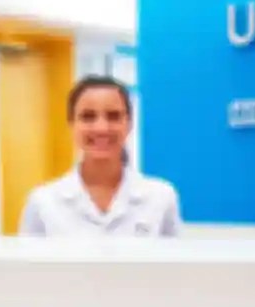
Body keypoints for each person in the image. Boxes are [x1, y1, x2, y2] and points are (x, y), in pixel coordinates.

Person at [20, 76, 182, 237]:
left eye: (113, 116)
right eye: (88, 117)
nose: (101, 128)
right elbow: (27, 262)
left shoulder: (160, 198)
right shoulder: (44, 202)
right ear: (72, 124)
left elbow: (174, 262)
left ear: (129, 123)